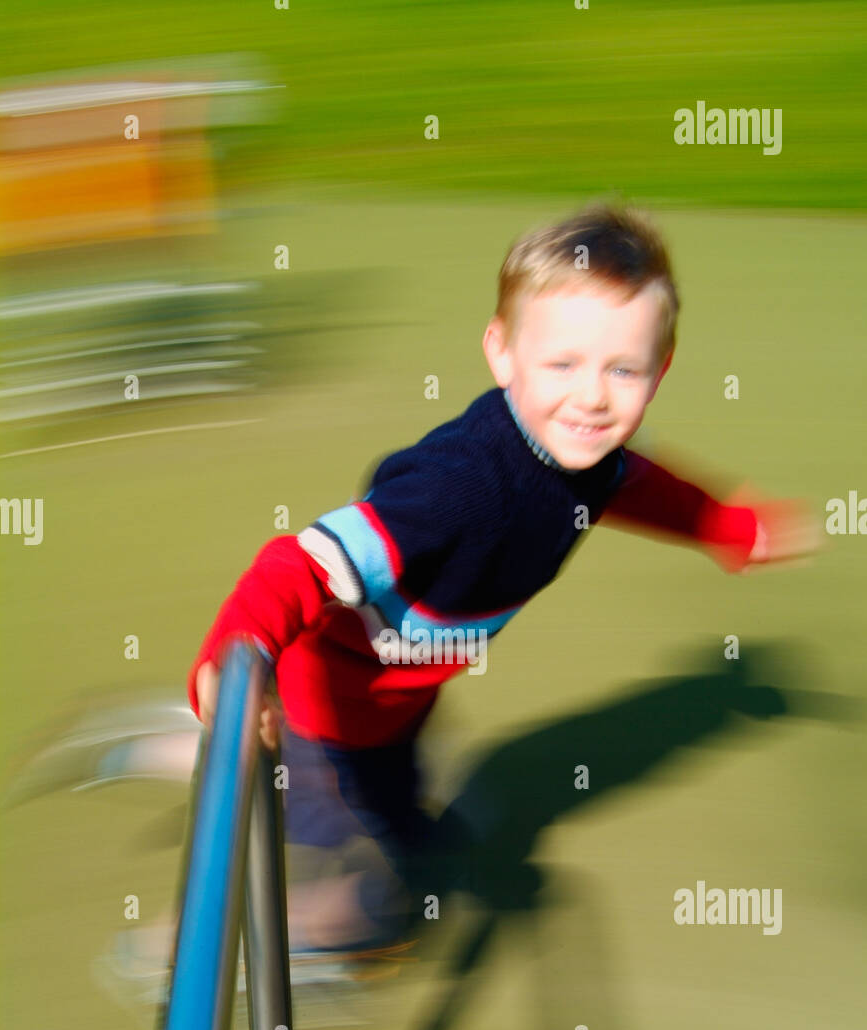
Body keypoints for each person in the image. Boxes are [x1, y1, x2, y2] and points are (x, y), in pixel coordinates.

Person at [189, 203, 816, 961]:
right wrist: (232, 664)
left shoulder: (593, 458)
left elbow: (636, 484)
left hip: (408, 684)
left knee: (400, 774)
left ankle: (399, 829)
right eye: (562, 364)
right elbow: (296, 563)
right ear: (502, 353)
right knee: (351, 818)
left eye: (622, 369)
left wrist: (727, 527)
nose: (591, 397)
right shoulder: (461, 489)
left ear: (661, 369)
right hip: (330, 707)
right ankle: (346, 919)